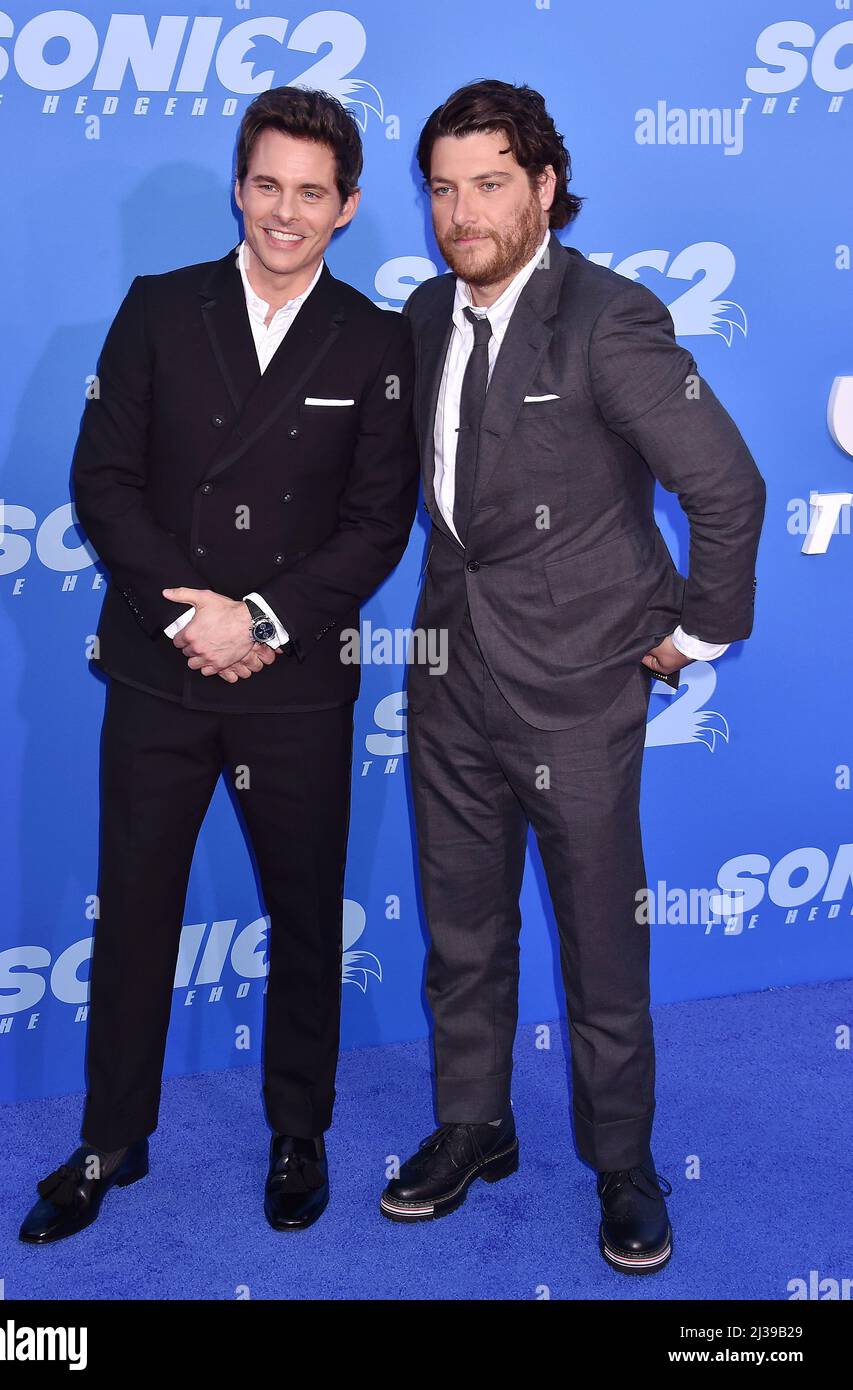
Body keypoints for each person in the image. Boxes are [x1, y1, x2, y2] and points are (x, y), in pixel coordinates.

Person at [18, 86, 418, 1243]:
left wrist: (262, 619)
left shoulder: (376, 339)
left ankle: (298, 1129)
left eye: (311, 193)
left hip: (293, 677)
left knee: (303, 913)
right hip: (160, 663)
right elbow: (105, 481)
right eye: (265, 185)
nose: (283, 213)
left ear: (344, 208)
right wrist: (193, 616)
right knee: (134, 908)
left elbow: (374, 522)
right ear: (237, 186)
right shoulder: (156, 309)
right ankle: (110, 1137)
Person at [379, 79, 765, 1274]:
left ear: (542, 187)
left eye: (488, 183)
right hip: (446, 675)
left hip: (578, 689)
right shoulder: (422, 317)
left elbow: (728, 489)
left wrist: (695, 632)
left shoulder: (610, 317)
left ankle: (622, 1164)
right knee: (461, 929)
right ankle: (471, 1124)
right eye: (442, 189)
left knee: (601, 943)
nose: (462, 213)